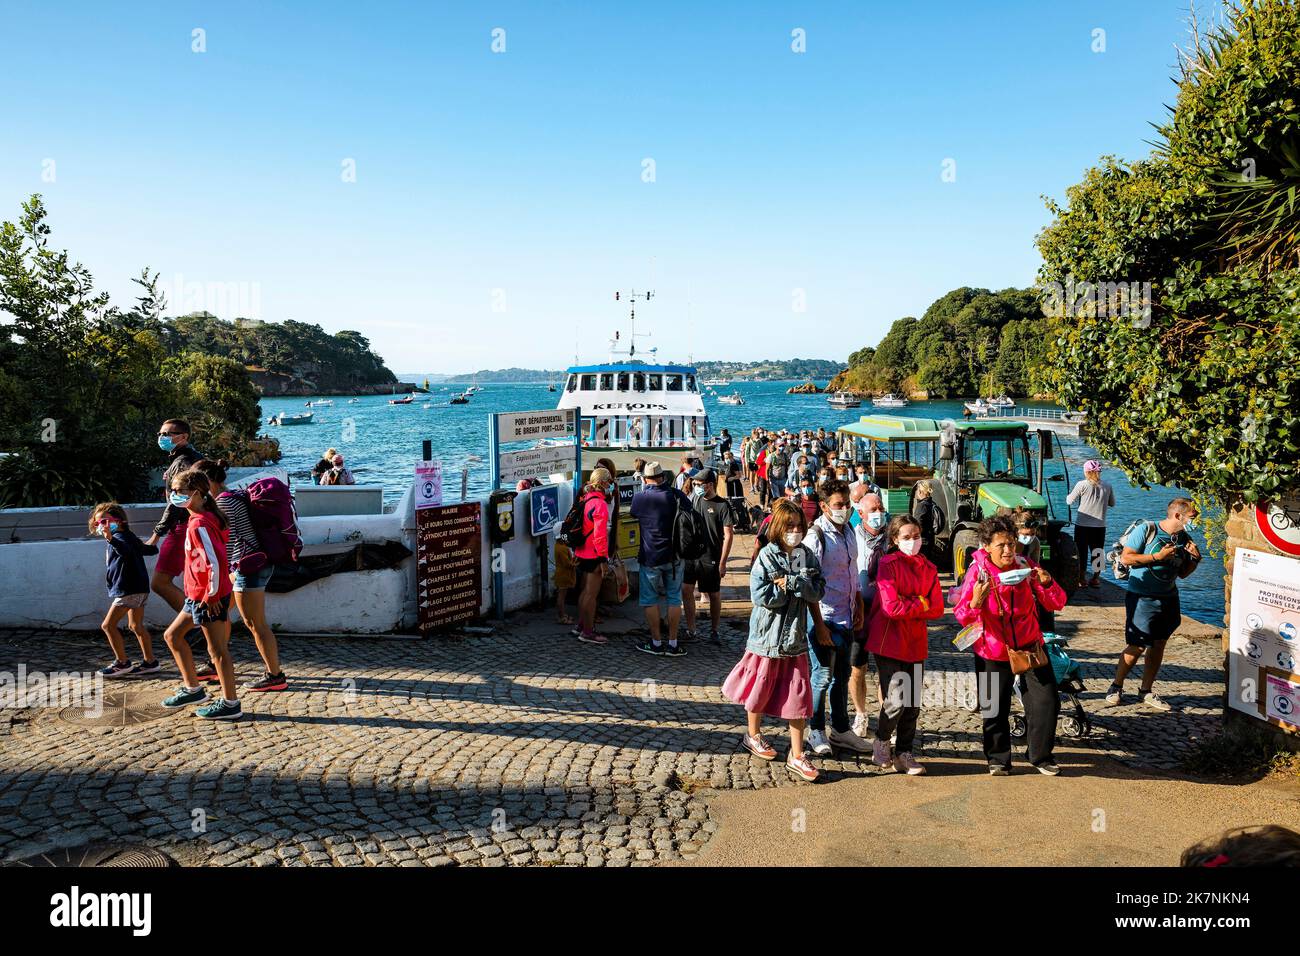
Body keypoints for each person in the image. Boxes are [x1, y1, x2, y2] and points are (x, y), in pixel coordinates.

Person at [952, 515, 1068, 775]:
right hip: (993, 649)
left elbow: (1056, 603)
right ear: (987, 547)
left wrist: (1048, 584)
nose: (1008, 550)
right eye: (1001, 545)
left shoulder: (1027, 566)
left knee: (1047, 701)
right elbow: (962, 615)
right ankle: (998, 758)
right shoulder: (978, 572)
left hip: (1030, 645)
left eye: (1011, 543)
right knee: (995, 706)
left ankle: (1040, 755)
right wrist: (975, 602)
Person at [723, 499, 824, 782]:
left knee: (799, 696)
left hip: (795, 638)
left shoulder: (805, 554)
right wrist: (791, 590)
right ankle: (753, 734)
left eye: (798, 526)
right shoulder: (767, 556)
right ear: (778, 528)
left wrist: (791, 584)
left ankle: (797, 753)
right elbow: (761, 595)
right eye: (789, 526)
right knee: (760, 687)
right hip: (767, 636)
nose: (795, 531)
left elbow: (817, 590)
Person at [191, 459, 288, 691]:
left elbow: (225, 544)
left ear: (207, 481)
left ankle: (275, 676)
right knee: (223, 615)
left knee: (255, 623)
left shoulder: (224, 504)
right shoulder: (233, 495)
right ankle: (215, 663)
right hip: (247, 564)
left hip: (248, 567)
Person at [1104, 497, 1202, 712]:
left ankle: (1146, 690)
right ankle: (1116, 686)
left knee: (1159, 644)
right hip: (1142, 597)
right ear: (1178, 515)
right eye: (1193, 517)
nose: (1197, 521)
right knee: (1138, 645)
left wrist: (1195, 559)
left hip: (1168, 598)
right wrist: (1157, 556)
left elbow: (1183, 574)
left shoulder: (1184, 537)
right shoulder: (1147, 529)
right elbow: (1127, 558)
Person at [160, 470, 242, 720]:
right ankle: (193, 689)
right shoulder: (204, 517)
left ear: (196, 494)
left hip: (207, 597)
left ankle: (230, 704)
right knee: (172, 636)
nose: (173, 495)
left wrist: (213, 595)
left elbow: (215, 562)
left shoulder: (199, 523)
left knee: (217, 650)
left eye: (178, 491)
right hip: (196, 596)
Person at [867, 515, 943, 774]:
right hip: (888, 639)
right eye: (907, 537)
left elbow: (937, 609)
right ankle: (882, 739)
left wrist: (912, 603)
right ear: (895, 540)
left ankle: (905, 752)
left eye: (917, 536)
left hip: (915, 640)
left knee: (913, 703)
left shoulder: (929, 568)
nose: (913, 542)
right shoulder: (888, 564)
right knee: (897, 698)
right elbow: (890, 607)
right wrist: (920, 603)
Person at [802, 479, 872, 756]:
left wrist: (858, 603)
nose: (844, 509)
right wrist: (818, 625)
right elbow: (807, 585)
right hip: (824, 616)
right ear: (824, 506)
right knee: (821, 676)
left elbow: (853, 570)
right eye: (838, 505)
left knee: (842, 675)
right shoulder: (815, 537)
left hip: (847, 615)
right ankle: (815, 729)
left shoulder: (849, 532)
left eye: (847, 504)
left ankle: (841, 730)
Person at [144, 418, 215, 679]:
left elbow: (177, 502)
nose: (161, 437)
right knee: (194, 588)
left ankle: (197, 627)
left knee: (163, 583)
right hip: (186, 525)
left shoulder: (184, 461)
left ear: (182, 436)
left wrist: (156, 535)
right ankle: (203, 633)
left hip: (182, 526)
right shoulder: (184, 458)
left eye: (167, 433)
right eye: (160, 432)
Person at [629, 462, 694, 657]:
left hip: (650, 556)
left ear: (645, 478)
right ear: (663, 477)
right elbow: (689, 509)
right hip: (674, 556)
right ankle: (673, 644)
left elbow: (633, 513)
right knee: (674, 599)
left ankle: (656, 643)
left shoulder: (640, 497)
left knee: (650, 600)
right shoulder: (675, 495)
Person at [89, 503, 160, 678]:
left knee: (108, 625)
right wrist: (157, 536)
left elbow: (126, 552)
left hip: (129, 590)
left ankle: (122, 663)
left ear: (119, 521)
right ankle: (150, 662)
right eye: (98, 523)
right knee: (135, 626)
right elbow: (148, 550)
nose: (101, 526)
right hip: (139, 589)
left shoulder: (119, 538)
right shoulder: (127, 536)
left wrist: (110, 539)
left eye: (105, 522)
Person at [850, 491, 889, 737]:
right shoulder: (851, 538)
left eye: (880, 508)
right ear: (861, 514)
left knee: (887, 670)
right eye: (872, 510)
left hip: (886, 615)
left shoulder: (893, 539)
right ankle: (861, 714)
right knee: (858, 668)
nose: (878, 514)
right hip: (860, 613)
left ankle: (887, 719)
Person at [682, 469, 734, 644]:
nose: (696, 487)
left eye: (699, 484)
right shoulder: (695, 500)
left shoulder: (722, 505)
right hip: (692, 554)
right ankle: (691, 630)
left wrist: (723, 562)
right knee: (686, 590)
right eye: (695, 484)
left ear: (710, 485)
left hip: (711, 555)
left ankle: (714, 630)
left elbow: (728, 535)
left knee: (714, 594)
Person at [573, 468, 614, 645]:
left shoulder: (586, 500)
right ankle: (588, 631)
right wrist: (603, 560)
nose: (612, 485)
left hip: (582, 551)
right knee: (591, 594)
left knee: (585, 592)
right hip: (594, 554)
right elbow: (600, 536)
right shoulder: (600, 505)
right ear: (603, 483)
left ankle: (581, 625)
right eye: (610, 482)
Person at [1067, 460, 1115, 588]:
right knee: (1098, 551)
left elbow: (1069, 500)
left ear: (1087, 472)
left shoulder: (1081, 484)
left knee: (1081, 552)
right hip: (1100, 525)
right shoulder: (1107, 485)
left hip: (1082, 525)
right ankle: (1095, 579)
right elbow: (1112, 503)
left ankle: (1082, 579)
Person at [913, 480, 943, 562]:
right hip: (930, 540)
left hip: (922, 542)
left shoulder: (922, 506)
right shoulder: (931, 503)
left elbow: (917, 524)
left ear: (919, 491)